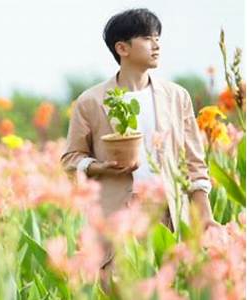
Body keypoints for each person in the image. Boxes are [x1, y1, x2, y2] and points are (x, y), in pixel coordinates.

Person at [60, 8, 219, 284]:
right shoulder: (91, 100)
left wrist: (204, 213)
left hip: (167, 211)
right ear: (122, 48)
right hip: (118, 215)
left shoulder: (176, 97)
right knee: (121, 287)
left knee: (171, 285)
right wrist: (101, 167)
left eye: (158, 37)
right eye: (147, 38)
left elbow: (195, 163)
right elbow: (71, 158)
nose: (156, 44)